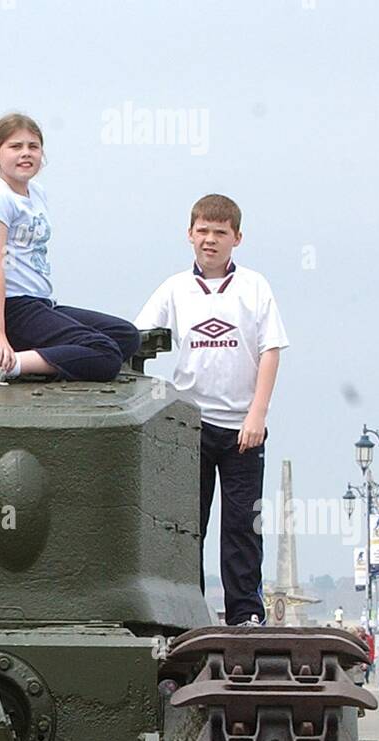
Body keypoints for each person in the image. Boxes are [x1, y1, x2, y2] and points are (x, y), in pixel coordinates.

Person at [134, 194, 288, 627]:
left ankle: (245, 613)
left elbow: (271, 349)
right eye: (203, 231)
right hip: (189, 427)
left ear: (237, 237)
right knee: (187, 528)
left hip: (242, 427)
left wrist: (258, 413)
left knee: (242, 525)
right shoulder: (175, 289)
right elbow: (140, 338)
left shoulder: (255, 287)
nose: (210, 240)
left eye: (220, 232)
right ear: (189, 235)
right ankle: (189, 611)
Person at [0, 113, 140, 387]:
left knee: (125, 335)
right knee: (105, 353)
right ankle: (0, 364)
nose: (26, 154)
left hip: (39, 302)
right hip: (10, 308)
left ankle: (32, 360)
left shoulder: (37, 193)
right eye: (16, 147)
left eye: (33, 146)